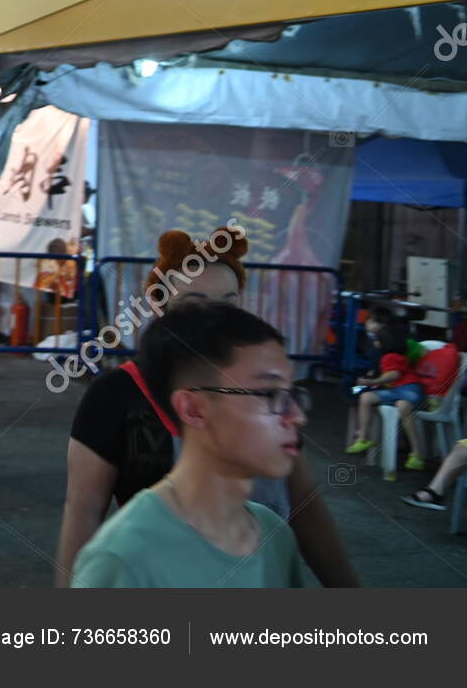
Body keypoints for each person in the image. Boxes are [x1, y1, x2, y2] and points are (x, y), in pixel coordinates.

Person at [55, 227, 357, 587]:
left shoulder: (261, 390)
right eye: (194, 305)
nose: (214, 322)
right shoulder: (116, 395)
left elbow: (305, 505)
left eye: (226, 305)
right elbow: (84, 509)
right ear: (159, 304)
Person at [71, 302, 309, 587]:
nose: (297, 416)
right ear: (194, 409)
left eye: (292, 392)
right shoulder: (125, 558)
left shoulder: (275, 537)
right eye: (269, 393)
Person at [345, 311, 427, 468]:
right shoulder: (392, 355)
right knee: (367, 397)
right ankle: (415, 453)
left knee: (364, 395)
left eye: (377, 340)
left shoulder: (389, 357)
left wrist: (371, 381)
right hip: (402, 390)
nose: (375, 342)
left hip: (407, 389)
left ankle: (363, 436)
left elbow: (393, 375)